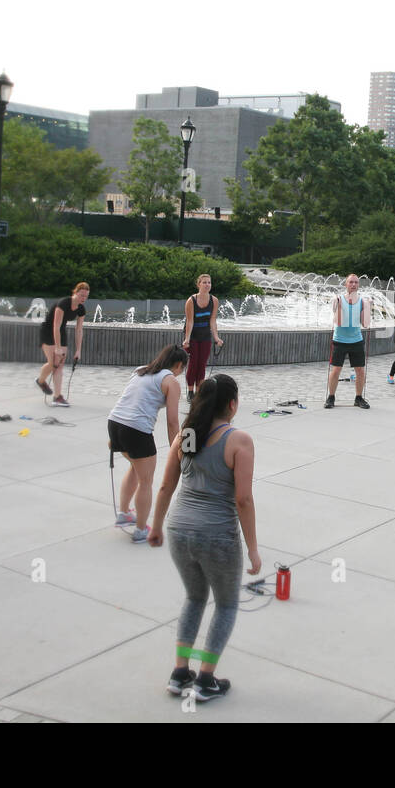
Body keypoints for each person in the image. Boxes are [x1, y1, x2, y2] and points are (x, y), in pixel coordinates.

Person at [149, 374, 261, 702]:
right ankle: (205, 679)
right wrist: (253, 549)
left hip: (179, 531)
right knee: (225, 604)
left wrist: (156, 526)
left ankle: (179, 673)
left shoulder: (187, 436)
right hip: (218, 536)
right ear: (232, 404)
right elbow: (243, 500)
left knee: (194, 598)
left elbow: (167, 485)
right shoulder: (239, 440)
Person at [109, 344, 187, 542]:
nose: (180, 374)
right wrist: (176, 451)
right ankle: (141, 530)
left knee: (136, 468)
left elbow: (127, 400)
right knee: (146, 481)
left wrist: (114, 437)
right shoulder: (170, 381)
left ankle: (125, 513)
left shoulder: (141, 371)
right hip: (136, 430)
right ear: (178, 364)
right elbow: (172, 422)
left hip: (115, 423)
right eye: (182, 369)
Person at [36, 282, 90, 407]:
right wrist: (58, 348)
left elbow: (79, 330)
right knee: (53, 363)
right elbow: (56, 325)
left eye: (86, 296)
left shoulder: (81, 309)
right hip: (48, 331)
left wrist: (78, 350)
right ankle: (41, 381)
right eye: (81, 295)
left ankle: (57, 397)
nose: (83, 299)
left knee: (59, 365)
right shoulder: (64, 303)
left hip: (61, 331)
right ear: (75, 293)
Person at [325, 274, 371, 409]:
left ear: (358, 285)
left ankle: (359, 398)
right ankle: (331, 397)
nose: (353, 284)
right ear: (346, 284)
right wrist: (337, 305)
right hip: (340, 340)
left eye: (356, 282)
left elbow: (365, 324)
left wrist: (368, 308)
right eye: (351, 282)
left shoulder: (362, 301)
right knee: (336, 369)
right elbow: (338, 321)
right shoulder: (338, 299)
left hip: (356, 340)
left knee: (360, 371)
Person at [182, 274, 224, 402]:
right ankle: (190, 391)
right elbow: (190, 322)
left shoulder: (214, 300)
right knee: (193, 363)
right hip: (193, 334)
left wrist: (216, 338)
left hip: (205, 335)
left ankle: (199, 391)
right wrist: (187, 339)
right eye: (204, 282)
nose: (207, 285)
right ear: (199, 284)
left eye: (209, 283)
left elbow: (212, 320)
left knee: (202, 364)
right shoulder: (191, 301)